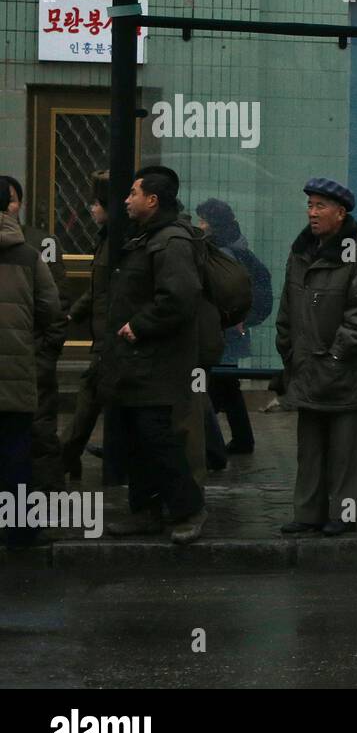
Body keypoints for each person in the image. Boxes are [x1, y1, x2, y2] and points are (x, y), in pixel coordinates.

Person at [101, 166, 208, 544]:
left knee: (158, 439)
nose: (126, 200)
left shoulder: (170, 241)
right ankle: (145, 511)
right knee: (137, 440)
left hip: (156, 362)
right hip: (135, 362)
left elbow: (179, 298)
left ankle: (187, 509)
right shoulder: (145, 238)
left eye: (133, 193)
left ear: (153, 200)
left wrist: (139, 326)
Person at [277, 179, 357, 537]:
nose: (312, 212)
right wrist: (289, 349)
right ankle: (307, 513)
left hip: (344, 371)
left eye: (320, 206)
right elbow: (287, 307)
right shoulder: (301, 252)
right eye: (310, 205)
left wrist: (337, 355)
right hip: (308, 368)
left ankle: (344, 514)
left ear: (340, 214)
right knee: (309, 450)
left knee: (346, 453)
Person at [0, 179, 65, 549]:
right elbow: (51, 308)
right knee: (15, 450)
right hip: (17, 370)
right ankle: (21, 531)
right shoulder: (28, 255)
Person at [194, 198, 273, 468]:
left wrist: (237, 319)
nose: (200, 224)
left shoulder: (221, 252)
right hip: (232, 330)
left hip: (223, 331)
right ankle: (242, 439)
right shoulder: (238, 247)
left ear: (214, 224)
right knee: (228, 385)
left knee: (212, 389)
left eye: (203, 220)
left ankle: (211, 448)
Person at [61, 171, 112, 482]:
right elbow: (97, 288)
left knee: (90, 396)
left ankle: (64, 457)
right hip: (106, 337)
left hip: (112, 339)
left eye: (95, 203)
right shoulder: (106, 239)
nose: (91, 209)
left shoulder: (115, 240)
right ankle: (66, 457)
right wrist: (74, 315)